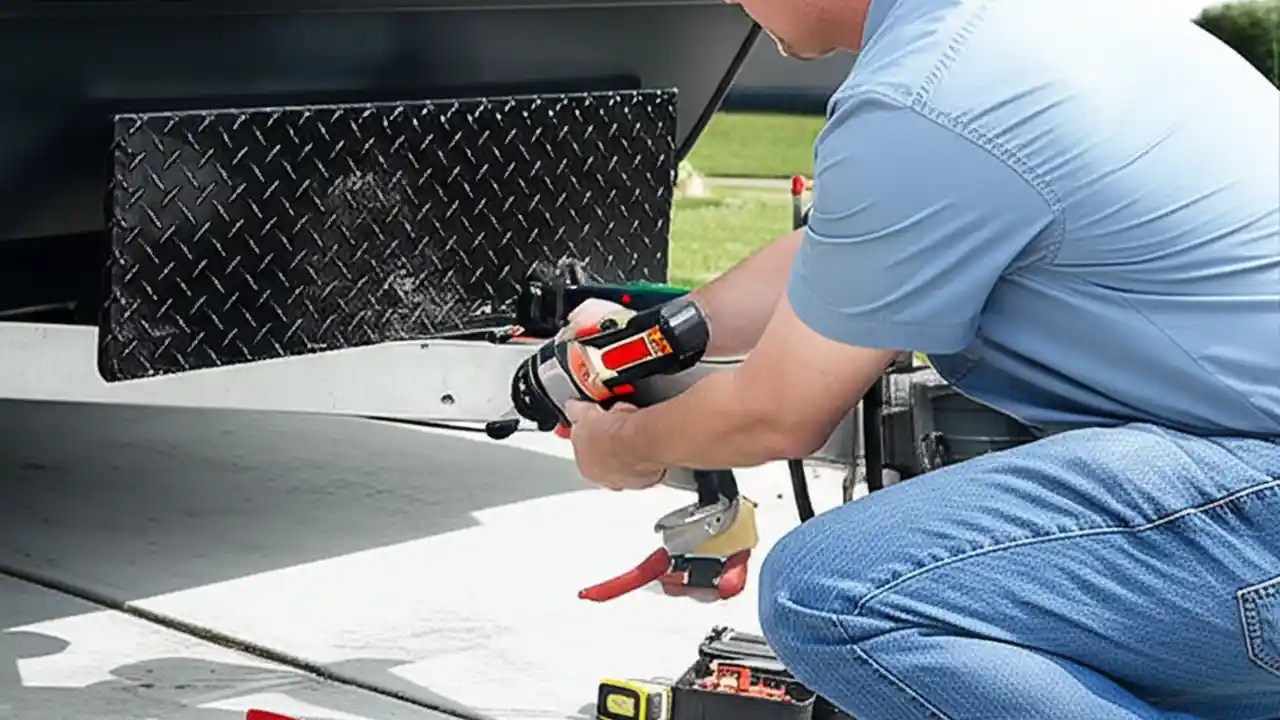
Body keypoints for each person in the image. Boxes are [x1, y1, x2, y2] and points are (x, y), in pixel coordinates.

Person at [559, 0, 1280, 717]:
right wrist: (662, 333)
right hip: (1248, 494)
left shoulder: (924, 92)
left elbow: (775, 412)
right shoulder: (1016, 32)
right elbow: (852, 244)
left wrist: (626, 445)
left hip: (1260, 512)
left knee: (832, 591)